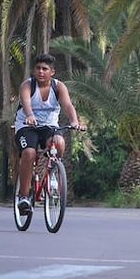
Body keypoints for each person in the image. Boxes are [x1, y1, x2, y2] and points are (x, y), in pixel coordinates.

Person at [13, 53, 84, 214]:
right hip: (26, 126)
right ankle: (24, 197)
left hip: (49, 126)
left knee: (59, 142)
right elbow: (25, 103)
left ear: (52, 72)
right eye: (38, 68)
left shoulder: (58, 87)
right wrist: (30, 115)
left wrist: (75, 121)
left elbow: (67, 105)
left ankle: (52, 173)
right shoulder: (27, 85)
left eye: (45, 69)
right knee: (29, 153)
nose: (41, 72)